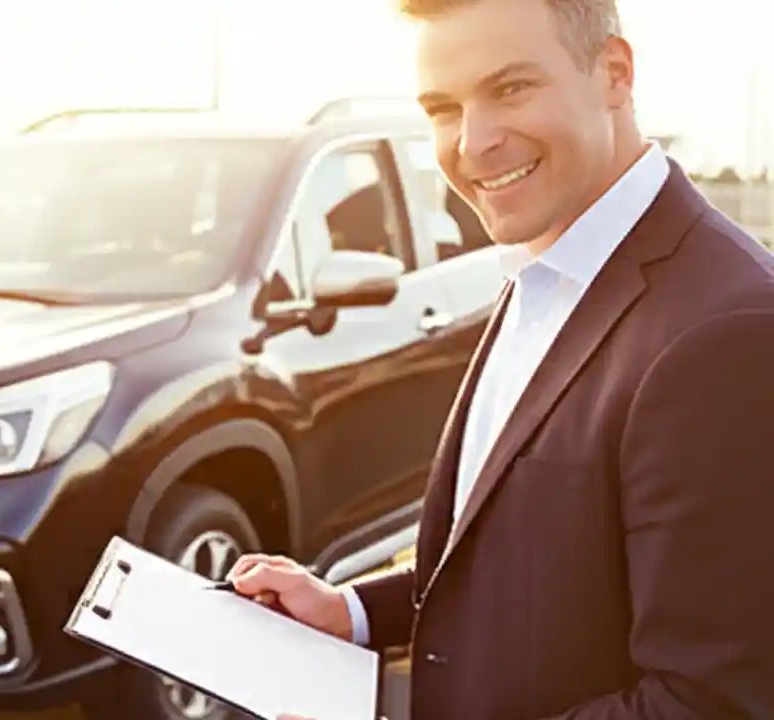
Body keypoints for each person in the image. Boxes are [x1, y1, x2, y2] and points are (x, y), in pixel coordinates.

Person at [227, 0, 774, 717]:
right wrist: (352, 614)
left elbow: (707, 705)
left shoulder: (727, 332)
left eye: (510, 88)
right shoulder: (547, 266)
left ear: (613, 72)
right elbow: (520, 556)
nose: (472, 143)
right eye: (442, 108)